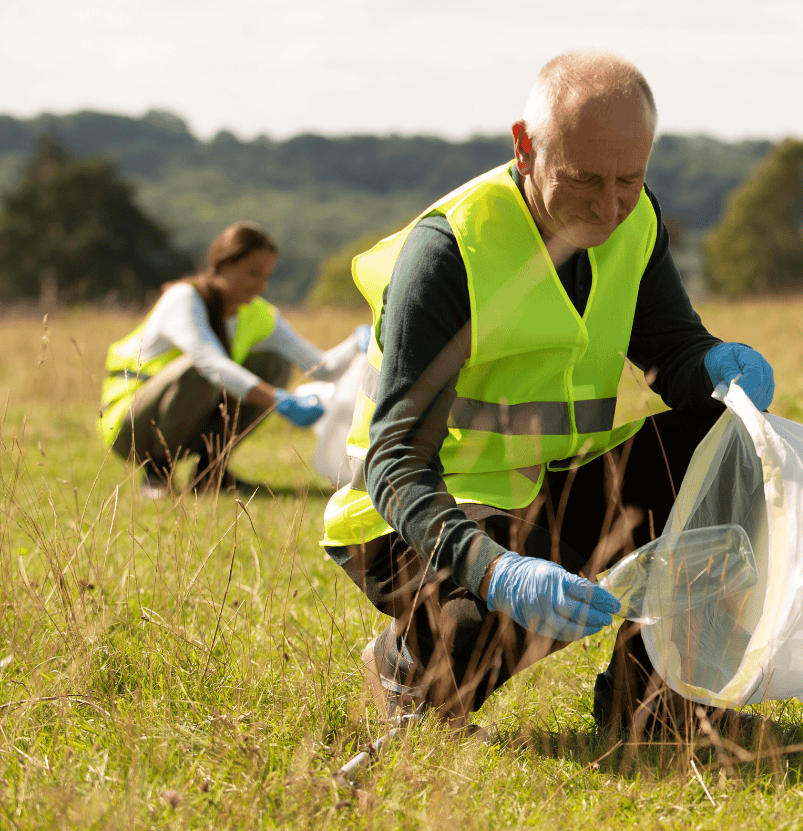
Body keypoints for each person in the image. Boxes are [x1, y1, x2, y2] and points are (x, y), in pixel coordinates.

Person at [320, 50, 777, 741]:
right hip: (417, 518)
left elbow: (673, 351)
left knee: (729, 439)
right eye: (584, 179)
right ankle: (404, 667)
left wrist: (713, 364)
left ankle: (654, 700)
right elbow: (395, 466)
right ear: (525, 147)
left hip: (548, 491)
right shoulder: (449, 253)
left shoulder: (634, 223)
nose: (608, 205)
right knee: (479, 632)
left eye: (629, 180)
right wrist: (494, 570)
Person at [100, 221, 333, 498]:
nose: (260, 285)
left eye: (267, 277)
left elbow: (320, 365)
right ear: (222, 265)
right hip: (131, 428)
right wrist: (278, 400)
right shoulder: (182, 298)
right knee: (199, 369)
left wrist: (361, 345)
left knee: (275, 363)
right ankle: (158, 472)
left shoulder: (258, 314)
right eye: (252, 273)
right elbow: (209, 363)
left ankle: (211, 473)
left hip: (187, 426)